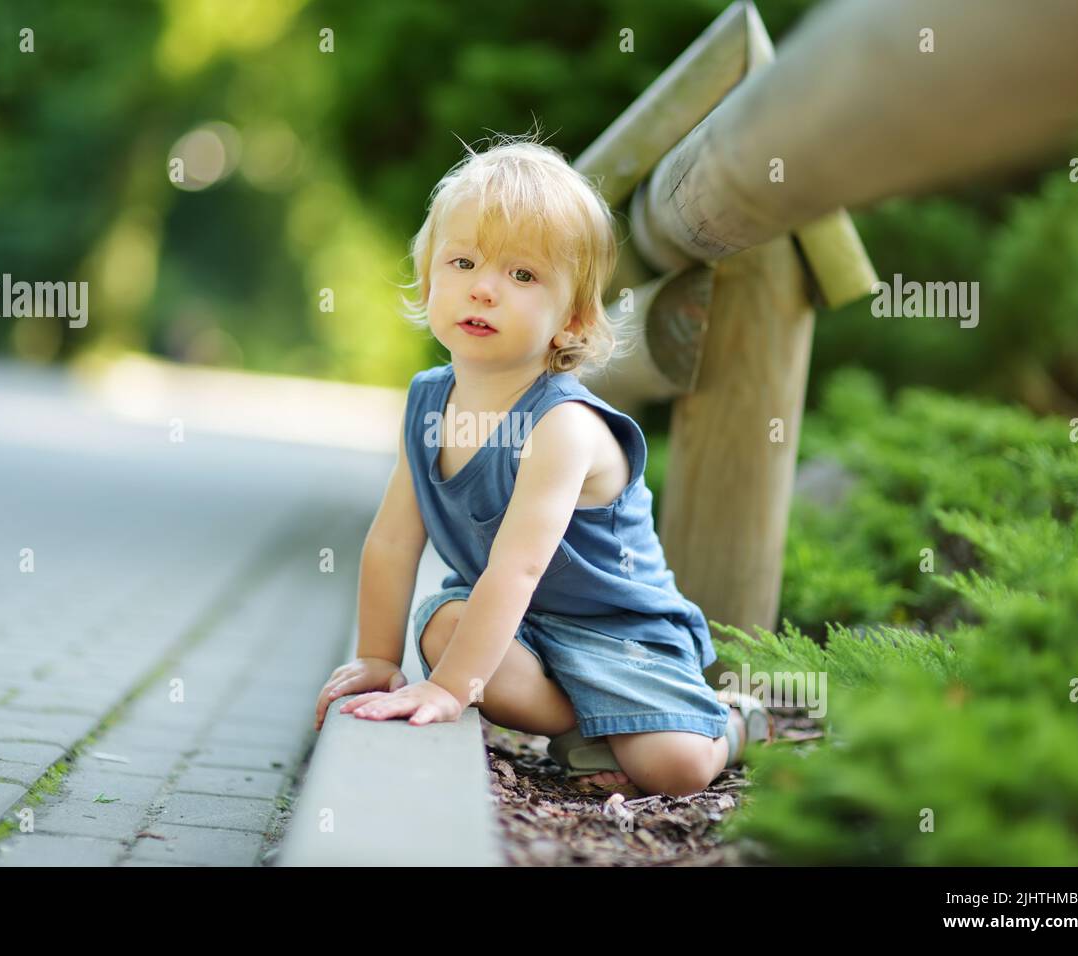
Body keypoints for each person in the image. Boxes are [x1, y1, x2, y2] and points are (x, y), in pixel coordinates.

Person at [313, 132, 771, 797]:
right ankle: (589, 732)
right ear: (428, 277)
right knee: (444, 631)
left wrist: (447, 695)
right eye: (464, 262)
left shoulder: (562, 426)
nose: (485, 290)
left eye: (522, 275)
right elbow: (391, 540)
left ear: (572, 319)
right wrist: (380, 660)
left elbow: (519, 566)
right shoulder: (428, 403)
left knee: (671, 771)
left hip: (623, 635)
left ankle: (729, 721)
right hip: (526, 632)